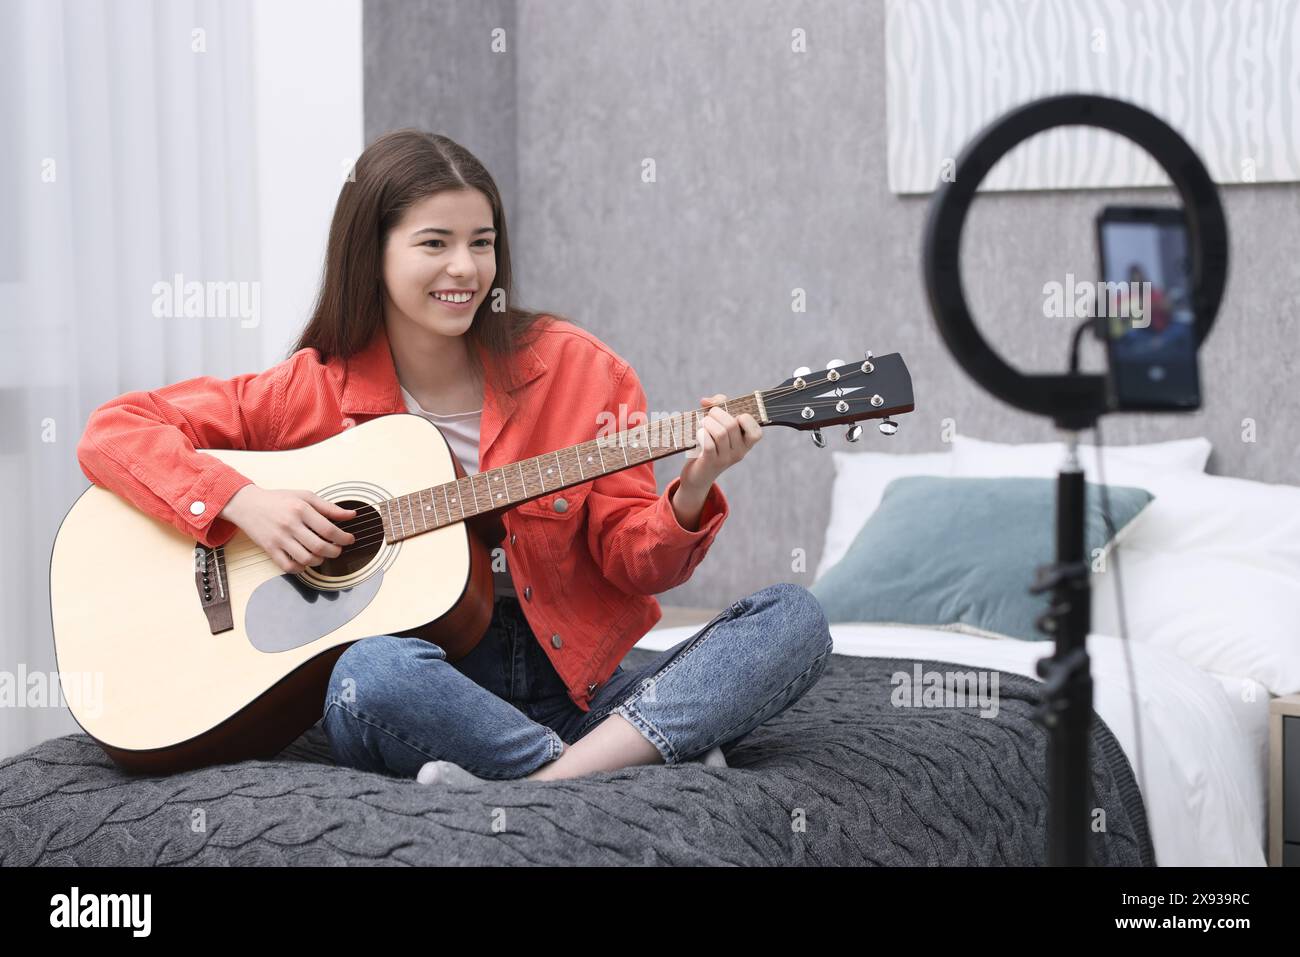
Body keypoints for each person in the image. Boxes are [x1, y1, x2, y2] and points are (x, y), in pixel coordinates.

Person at [75, 129, 833, 786]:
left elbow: (637, 563)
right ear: (371, 252)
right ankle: (620, 765)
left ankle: (555, 777)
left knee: (793, 619)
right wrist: (242, 501)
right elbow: (116, 429)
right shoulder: (309, 391)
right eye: (434, 243)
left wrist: (695, 485)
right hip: (432, 694)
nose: (465, 269)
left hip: (580, 693)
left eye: (482, 242)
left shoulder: (582, 372)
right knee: (365, 675)